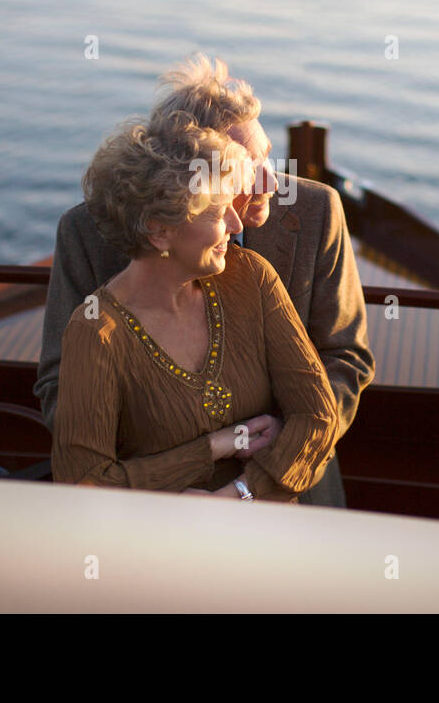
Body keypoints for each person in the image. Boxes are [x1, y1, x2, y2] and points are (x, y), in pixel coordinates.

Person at [35, 54, 375, 506]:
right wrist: (170, 451)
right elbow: (62, 388)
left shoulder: (316, 212)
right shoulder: (87, 232)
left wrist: (269, 446)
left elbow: (346, 355)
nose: (271, 183)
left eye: (268, 157)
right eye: (245, 165)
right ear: (186, 170)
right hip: (152, 495)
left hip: (290, 476)